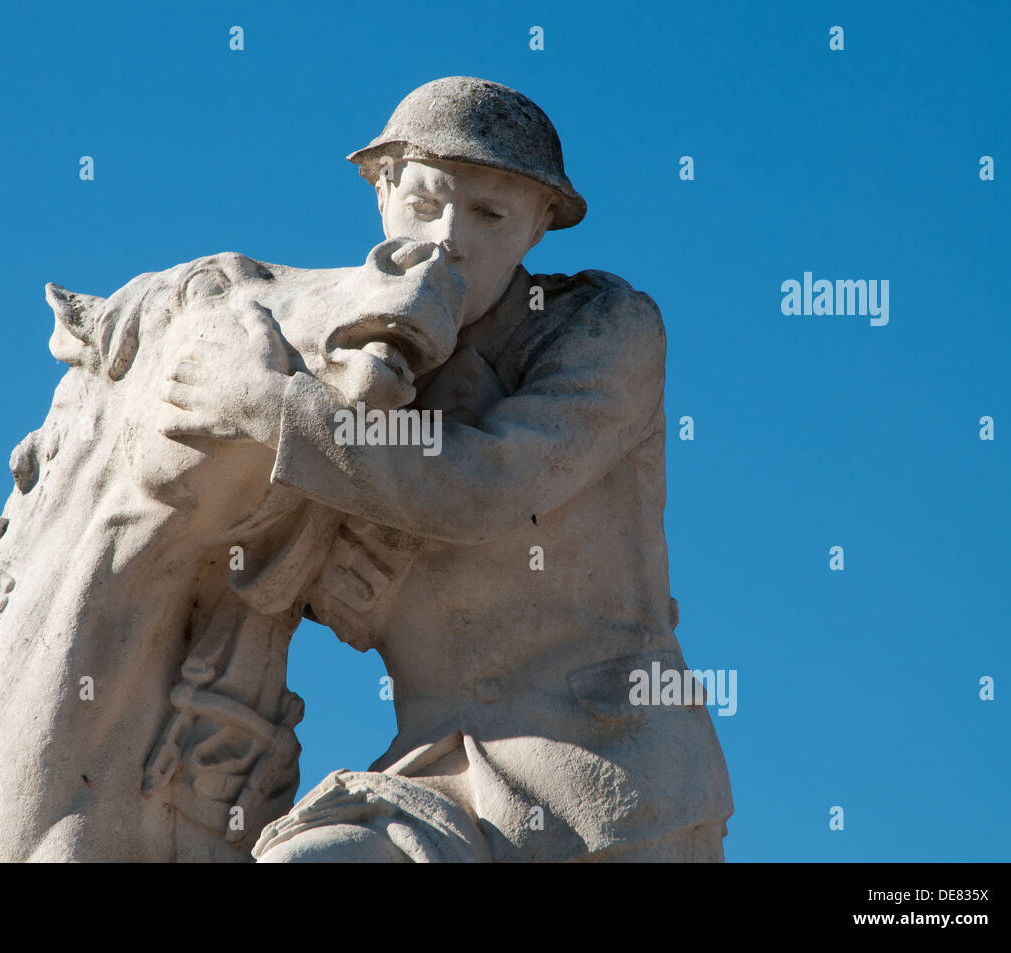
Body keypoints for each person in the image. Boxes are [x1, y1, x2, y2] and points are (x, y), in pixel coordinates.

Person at [162, 76, 735, 862]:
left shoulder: (601, 329)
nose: (449, 237)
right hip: (440, 775)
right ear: (382, 194)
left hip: (612, 784)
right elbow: (216, 548)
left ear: (538, 227)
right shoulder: (341, 363)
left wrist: (271, 407)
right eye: (426, 201)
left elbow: (484, 488)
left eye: (490, 213)